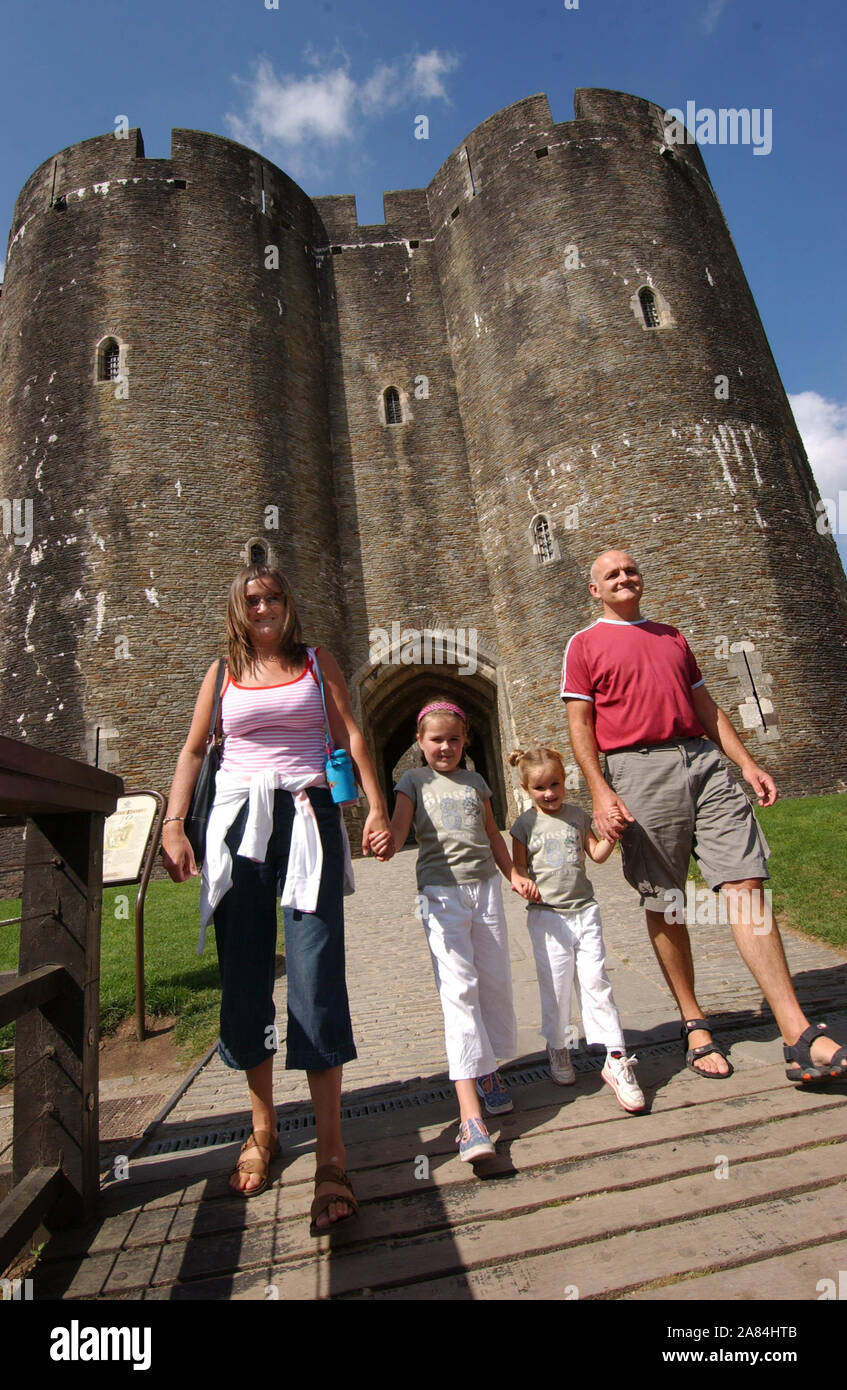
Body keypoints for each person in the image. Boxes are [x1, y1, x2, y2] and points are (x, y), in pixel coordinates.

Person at [161, 564, 393, 1231]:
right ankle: (263, 1129)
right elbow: (193, 750)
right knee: (244, 977)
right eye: (251, 599)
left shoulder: (318, 663)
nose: (263, 606)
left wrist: (375, 809)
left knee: (315, 977)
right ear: (238, 610)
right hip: (237, 827)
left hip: (309, 819)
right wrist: (175, 824)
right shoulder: (221, 673)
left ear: (289, 604)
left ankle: (331, 1152)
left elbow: (350, 733)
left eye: (273, 596)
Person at [561, 549, 847, 1086]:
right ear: (595, 590)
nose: (625, 578)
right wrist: (600, 791)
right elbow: (580, 723)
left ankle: (796, 1033)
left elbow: (706, 705)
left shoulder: (672, 637)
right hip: (638, 769)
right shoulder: (584, 644)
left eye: (630, 569)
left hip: (704, 761)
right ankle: (695, 1024)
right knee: (666, 900)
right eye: (611, 575)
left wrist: (746, 763)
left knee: (746, 882)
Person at [389, 701, 537, 1161]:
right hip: (440, 894)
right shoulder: (412, 781)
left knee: (493, 983)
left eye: (454, 739)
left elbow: (493, 834)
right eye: (436, 739)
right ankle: (470, 1117)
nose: (446, 747)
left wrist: (512, 873)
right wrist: (383, 841)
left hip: (486, 889)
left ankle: (489, 1068)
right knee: (459, 990)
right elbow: (397, 832)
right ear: (420, 742)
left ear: (465, 740)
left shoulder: (476, 782)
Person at [509, 745, 645, 1112]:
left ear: (565, 782)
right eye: (540, 788)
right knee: (555, 985)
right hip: (547, 917)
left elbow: (595, 855)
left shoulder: (578, 817)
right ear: (526, 789)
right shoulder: (523, 826)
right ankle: (559, 1047)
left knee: (596, 981)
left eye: (555, 784)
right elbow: (518, 869)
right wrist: (520, 881)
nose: (549, 793)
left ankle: (616, 1056)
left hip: (584, 912)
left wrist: (611, 838)